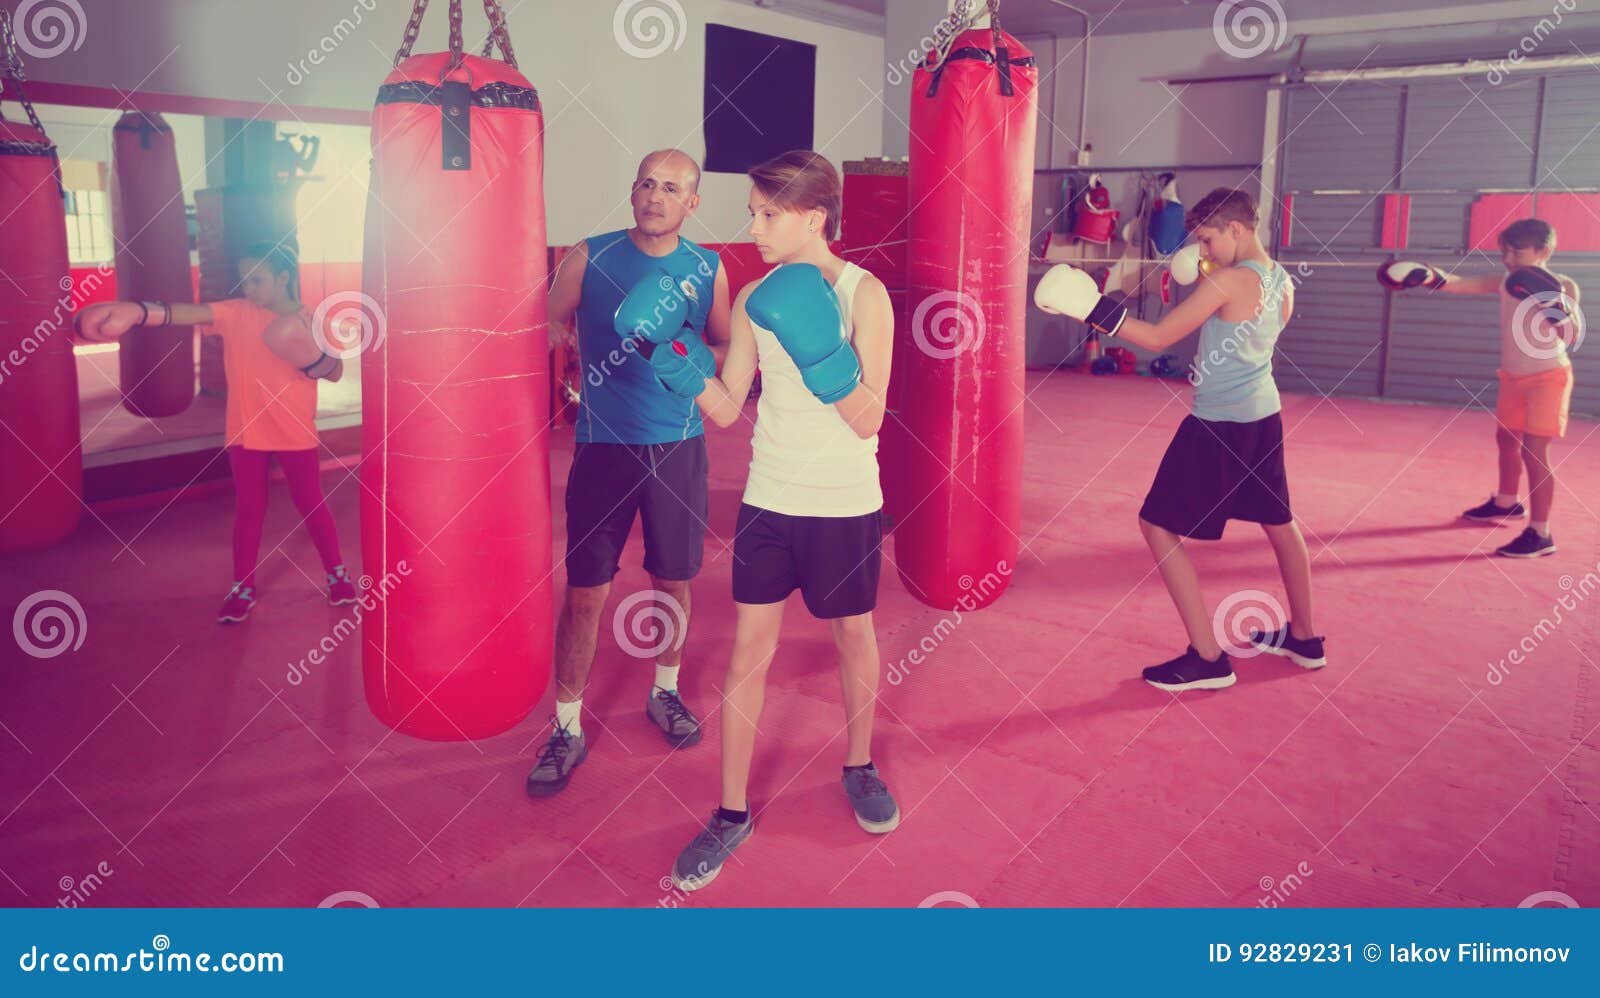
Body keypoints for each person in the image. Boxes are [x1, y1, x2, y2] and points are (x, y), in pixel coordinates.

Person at [650, 149, 897, 891]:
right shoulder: (756, 295)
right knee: (748, 653)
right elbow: (729, 406)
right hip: (769, 500)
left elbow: (869, 420)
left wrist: (825, 357)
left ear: (813, 217)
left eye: (766, 213)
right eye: (752, 210)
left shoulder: (864, 294)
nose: (751, 225)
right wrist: (682, 368)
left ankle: (858, 765)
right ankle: (729, 812)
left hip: (844, 502)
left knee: (854, 634)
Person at [1034, 187, 1327, 692]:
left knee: (1156, 524)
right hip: (1264, 417)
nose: (1204, 251)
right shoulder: (1279, 280)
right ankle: (1304, 637)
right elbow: (1244, 313)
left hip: (1219, 425)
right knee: (1280, 522)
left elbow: (1156, 338)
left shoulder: (1229, 281)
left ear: (1236, 229)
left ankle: (1208, 658)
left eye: (1209, 240)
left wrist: (1090, 308)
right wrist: (1208, 270)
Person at [524, 149, 732, 797]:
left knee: (673, 581)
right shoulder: (589, 255)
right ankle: (565, 726)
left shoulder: (707, 268)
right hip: (604, 447)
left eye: (671, 188)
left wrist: (685, 348)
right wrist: (564, 343)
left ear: (691, 204)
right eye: (646, 183)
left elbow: (722, 341)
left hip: (678, 445)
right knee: (586, 589)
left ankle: (664, 693)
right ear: (633, 190)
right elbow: (550, 318)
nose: (654, 195)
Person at [75, 242, 356, 622]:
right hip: (246, 428)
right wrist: (138, 312)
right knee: (249, 509)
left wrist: (313, 358)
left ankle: (336, 573)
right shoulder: (237, 312)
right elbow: (190, 313)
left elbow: (337, 372)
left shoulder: (310, 319)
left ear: (284, 277)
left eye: (257, 279)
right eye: (245, 280)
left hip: (294, 428)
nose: (248, 288)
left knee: (310, 502)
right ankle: (243, 585)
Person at [1377, 219, 1580, 558]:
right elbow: (1461, 284)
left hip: (1549, 376)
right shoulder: (1504, 281)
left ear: (1544, 251)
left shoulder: (1564, 286)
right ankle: (1506, 503)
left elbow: (1570, 336)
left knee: (1534, 450)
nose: (1508, 258)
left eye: (1517, 251)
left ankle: (1541, 533)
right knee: (1506, 440)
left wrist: (1551, 304)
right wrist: (1427, 275)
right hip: (1513, 376)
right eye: (1504, 251)